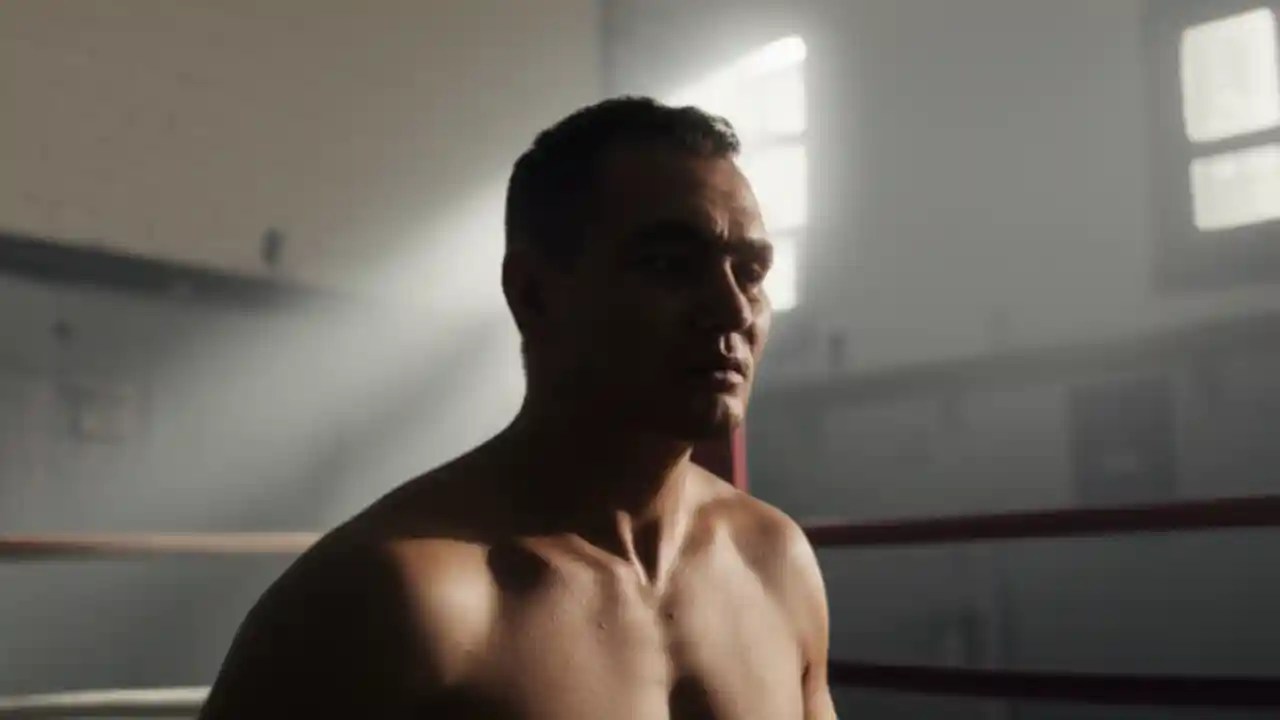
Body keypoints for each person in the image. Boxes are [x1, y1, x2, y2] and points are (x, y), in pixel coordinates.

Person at [199, 96, 836, 719]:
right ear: (533, 295)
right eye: (670, 265)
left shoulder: (775, 561)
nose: (732, 311)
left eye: (750, 272)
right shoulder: (396, 600)